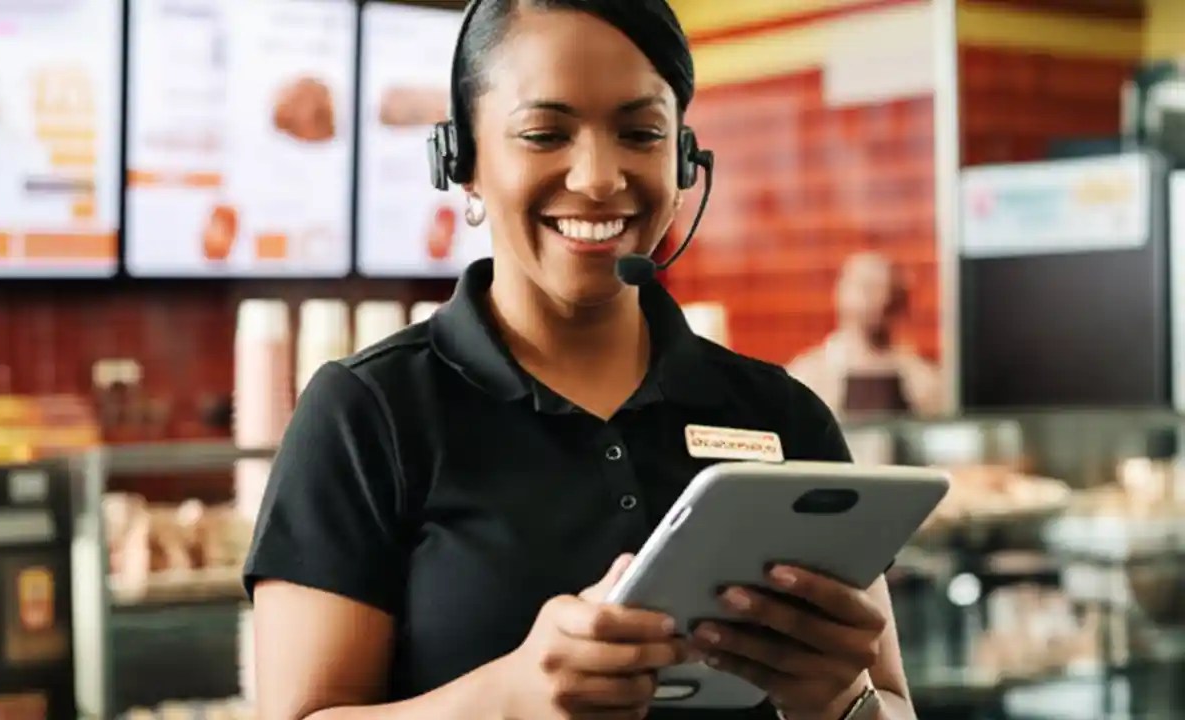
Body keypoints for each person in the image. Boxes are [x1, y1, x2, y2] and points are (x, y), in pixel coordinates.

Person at [244, 1, 919, 719]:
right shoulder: (366, 414)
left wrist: (843, 699)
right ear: (463, 163)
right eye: (544, 133)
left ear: (685, 160)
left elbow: (894, 706)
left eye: (641, 132)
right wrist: (510, 699)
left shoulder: (783, 418)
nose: (599, 177)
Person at [787, 252, 944, 418]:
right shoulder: (807, 375)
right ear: (840, 293)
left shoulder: (921, 379)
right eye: (866, 287)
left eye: (888, 288)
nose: (879, 297)